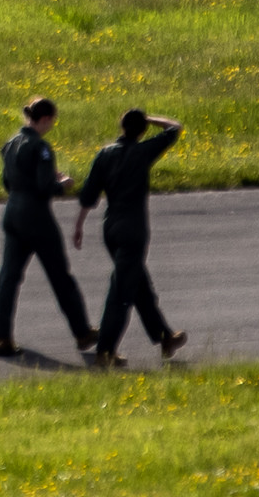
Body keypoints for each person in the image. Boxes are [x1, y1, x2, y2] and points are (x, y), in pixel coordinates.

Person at [75, 108, 190, 367]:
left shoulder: (104, 154)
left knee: (139, 286)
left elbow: (89, 194)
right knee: (121, 292)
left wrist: (79, 225)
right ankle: (105, 351)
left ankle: (165, 337)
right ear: (142, 130)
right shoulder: (143, 152)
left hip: (110, 227)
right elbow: (175, 127)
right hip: (133, 229)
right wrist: (150, 119)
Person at [0, 96, 96, 357]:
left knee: (9, 277)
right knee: (60, 276)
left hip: (12, 211)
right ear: (45, 119)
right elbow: (44, 186)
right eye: (51, 122)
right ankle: (82, 332)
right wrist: (63, 183)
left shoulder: (11, 143)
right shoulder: (41, 147)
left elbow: (5, 181)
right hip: (36, 215)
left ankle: (1, 336)